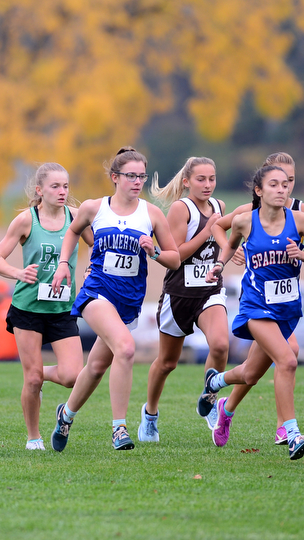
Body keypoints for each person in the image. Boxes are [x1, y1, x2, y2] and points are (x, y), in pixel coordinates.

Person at [198, 165, 304, 460]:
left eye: (285, 185)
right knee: (287, 360)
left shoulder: (299, 220)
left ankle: (216, 383)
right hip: (256, 307)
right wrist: (220, 265)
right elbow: (228, 244)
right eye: (274, 184)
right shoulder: (246, 221)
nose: (281, 189)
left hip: (287, 309)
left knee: (250, 373)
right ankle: (292, 433)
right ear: (259, 191)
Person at [49, 146, 180, 452]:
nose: (137, 182)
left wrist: (156, 252)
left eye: (141, 176)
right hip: (97, 292)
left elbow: (174, 259)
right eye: (130, 176)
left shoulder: (152, 214)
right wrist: (64, 264)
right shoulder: (96, 208)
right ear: (115, 177)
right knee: (126, 348)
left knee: (95, 367)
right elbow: (72, 232)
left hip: (129, 301)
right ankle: (119, 428)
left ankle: (65, 415)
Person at [0, 162, 94, 450]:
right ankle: (33, 437)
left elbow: (97, 246)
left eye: (66, 186)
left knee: (73, 376)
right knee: (32, 381)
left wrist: (89, 271)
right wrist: (18, 273)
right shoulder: (26, 220)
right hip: (28, 309)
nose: (62, 192)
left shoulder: (75, 217)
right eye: (55, 186)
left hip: (61, 309)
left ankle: (37, 374)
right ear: (40, 190)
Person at [137, 157, 228, 443]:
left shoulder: (220, 207)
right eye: (201, 179)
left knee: (221, 345)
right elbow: (175, 258)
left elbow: (226, 240)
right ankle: (150, 415)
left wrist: (231, 249)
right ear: (187, 181)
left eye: (212, 179)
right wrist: (207, 230)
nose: (208, 185)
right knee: (167, 363)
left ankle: (209, 397)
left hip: (209, 292)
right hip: (178, 296)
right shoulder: (181, 209)